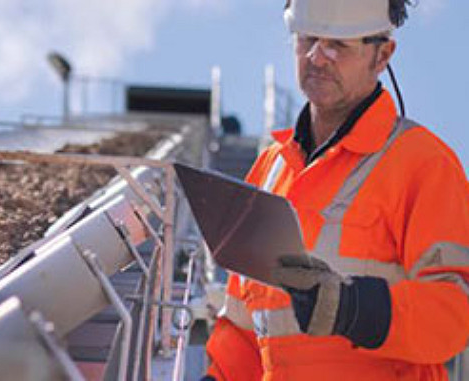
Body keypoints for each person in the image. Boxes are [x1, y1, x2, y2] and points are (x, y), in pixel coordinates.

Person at [201, 0, 469, 380]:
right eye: (307, 39)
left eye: (338, 45)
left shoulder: (423, 164)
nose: (317, 57)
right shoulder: (268, 169)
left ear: (383, 55)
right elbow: (247, 323)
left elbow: (452, 316)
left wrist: (354, 308)